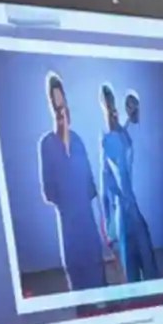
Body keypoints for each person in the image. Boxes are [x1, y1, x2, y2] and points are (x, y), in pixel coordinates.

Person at [38, 73, 111, 292]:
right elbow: (48, 192)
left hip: (89, 230)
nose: (61, 108)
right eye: (55, 103)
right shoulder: (47, 144)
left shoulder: (78, 140)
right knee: (81, 292)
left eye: (63, 101)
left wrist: (106, 232)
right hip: (70, 232)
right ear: (51, 105)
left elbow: (91, 188)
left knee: (102, 287)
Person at [101, 85, 159, 282]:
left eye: (134, 104)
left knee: (150, 268)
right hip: (123, 216)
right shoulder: (109, 142)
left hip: (135, 211)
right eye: (128, 105)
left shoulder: (130, 135)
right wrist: (108, 227)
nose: (130, 108)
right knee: (132, 274)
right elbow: (106, 187)